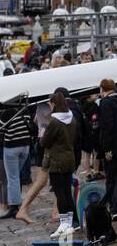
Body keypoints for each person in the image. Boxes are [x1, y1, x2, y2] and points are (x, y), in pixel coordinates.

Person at [40, 92, 78, 237]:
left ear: (54, 104)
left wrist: (43, 133)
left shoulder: (55, 122)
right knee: (67, 192)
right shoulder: (71, 118)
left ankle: (64, 224)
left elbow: (44, 142)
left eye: (50, 104)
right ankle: (71, 222)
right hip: (69, 158)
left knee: (59, 193)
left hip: (57, 161)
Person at [98, 79, 117, 210]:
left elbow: (107, 127)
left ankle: (114, 207)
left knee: (111, 178)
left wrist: (107, 149)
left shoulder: (105, 103)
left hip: (112, 146)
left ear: (102, 89)